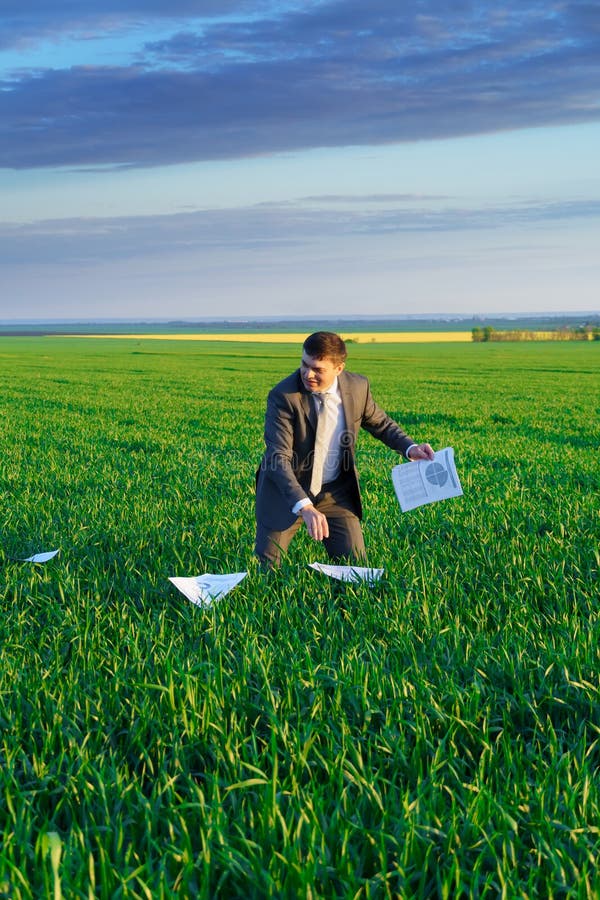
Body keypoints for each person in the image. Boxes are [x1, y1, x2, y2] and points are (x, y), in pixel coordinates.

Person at [255, 331, 434, 566]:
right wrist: (305, 506)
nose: (308, 374)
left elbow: (381, 424)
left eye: (318, 369)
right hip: (287, 493)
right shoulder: (284, 396)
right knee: (268, 570)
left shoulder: (358, 387)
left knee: (356, 570)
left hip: (335, 493)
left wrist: (410, 448)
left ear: (339, 368)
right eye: (304, 364)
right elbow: (278, 458)